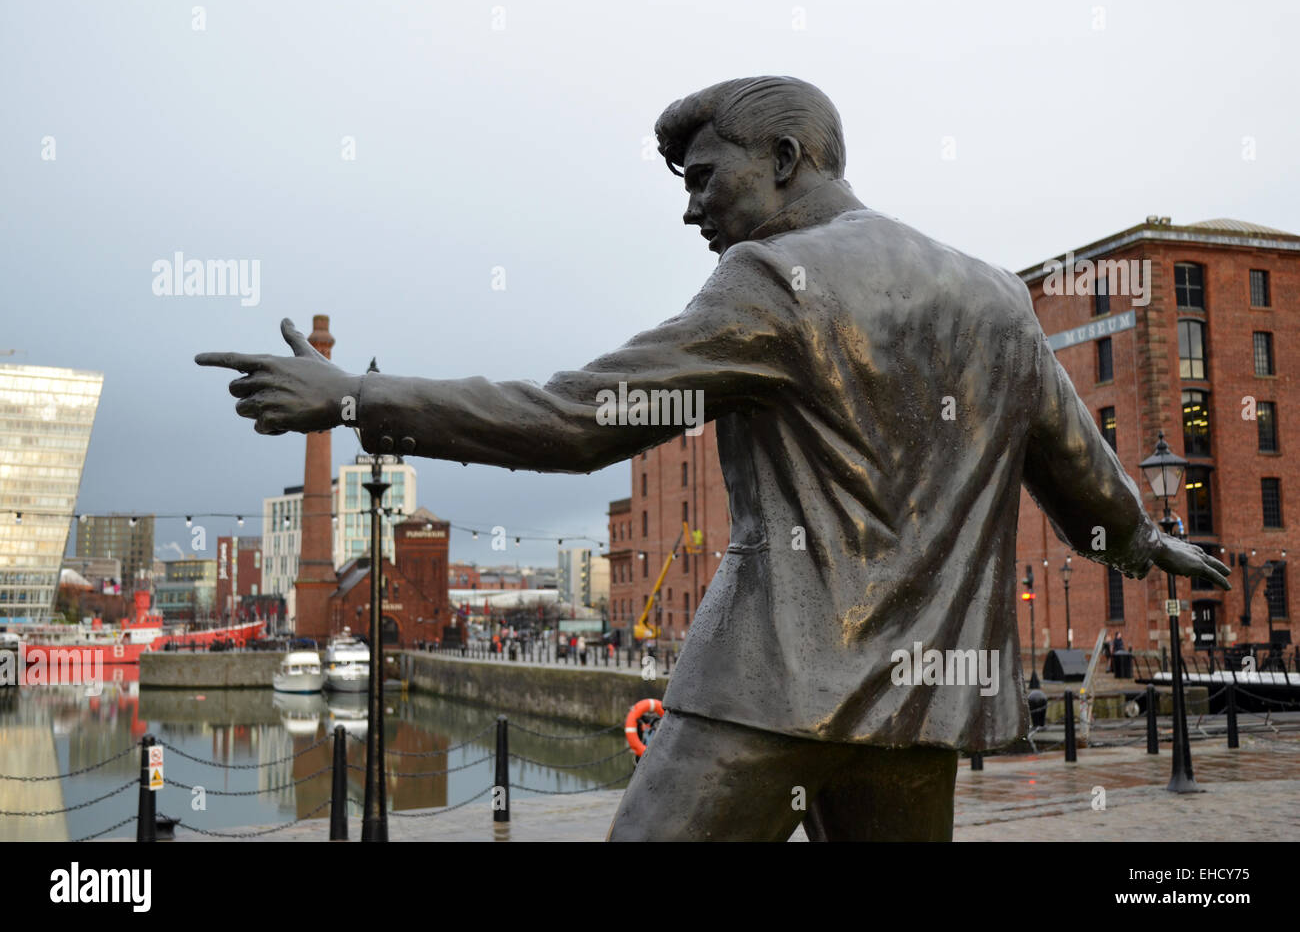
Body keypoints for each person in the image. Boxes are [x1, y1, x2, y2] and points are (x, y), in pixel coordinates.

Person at [198, 76, 1232, 841]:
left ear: (783, 160)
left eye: (703, 179)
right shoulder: (996, 297)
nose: (691, 208)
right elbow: (1077, 470)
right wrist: (1148, 543)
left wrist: (356, 397)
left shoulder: (773, 280)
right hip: (918, 704)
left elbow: (579, 418)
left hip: (772, 687)